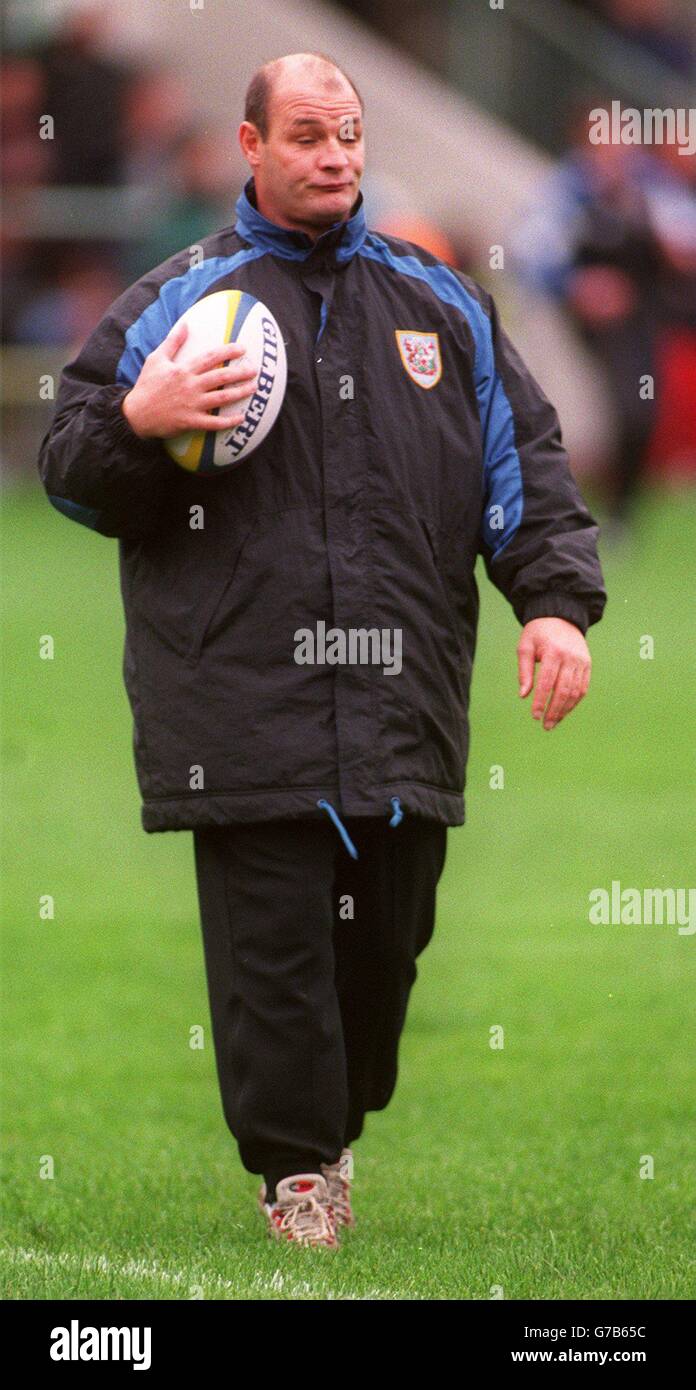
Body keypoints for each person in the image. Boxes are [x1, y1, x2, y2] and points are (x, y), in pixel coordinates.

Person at [37, 51, 607, 1249]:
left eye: (347, 131)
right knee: (277, 954)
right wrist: (142, 423)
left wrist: (552, 603)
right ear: (250, 146)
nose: (336, 153)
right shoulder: (178, 304)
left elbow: (528, 470)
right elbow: (73, 470)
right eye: (306, 134)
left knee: (378, 968)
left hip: (404, 702)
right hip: (237, 705)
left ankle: (332, 1131)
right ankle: (299, 1171)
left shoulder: (441, 304)